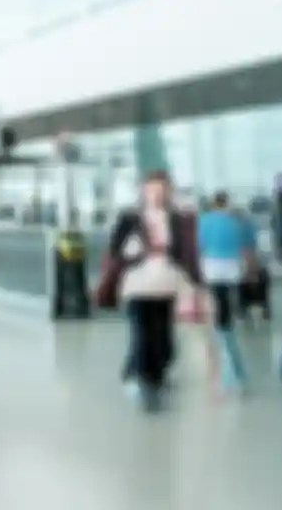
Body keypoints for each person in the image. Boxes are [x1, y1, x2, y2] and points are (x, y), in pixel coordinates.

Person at [101, 171, 201, 413]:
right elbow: (115, 250)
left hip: (166, 282)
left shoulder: (178, 219)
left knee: (163, 334)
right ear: (144, 191)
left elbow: (187, 251)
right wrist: (131, 252)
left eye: (162, 189)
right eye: (152, 189)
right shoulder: (131, 218)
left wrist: (194, 280)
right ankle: (142, 378)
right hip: (138, 282)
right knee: (142, 330)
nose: (156, 195)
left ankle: (155, 372)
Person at [197, 191, 253, 395]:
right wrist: (250, 267)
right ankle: (227, 318)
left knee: (218, 300)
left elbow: (200, 245)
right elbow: (247, 247)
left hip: (212, 265)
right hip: (233, 265)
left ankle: (222, 322)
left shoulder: (204, 221)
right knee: (227, 299)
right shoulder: (237, 220)